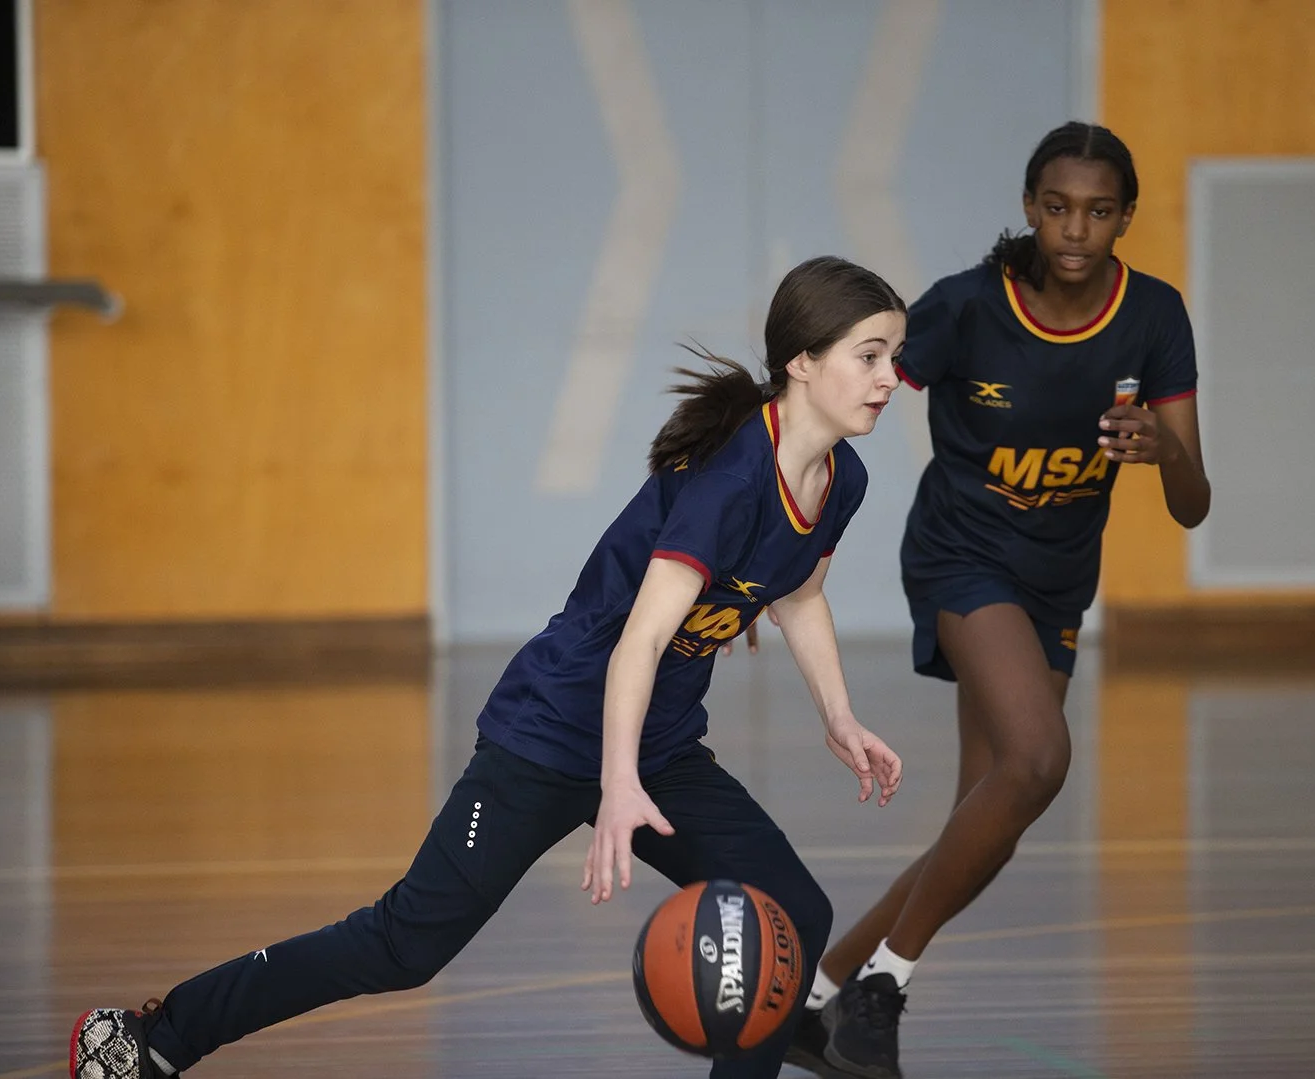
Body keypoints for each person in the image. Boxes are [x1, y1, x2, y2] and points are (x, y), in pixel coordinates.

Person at [68, 255, 909, 1079]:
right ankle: (158, 1036)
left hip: (656, 745)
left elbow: (796, 594)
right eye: (867, 355)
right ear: (802, 361)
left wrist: (838, 714)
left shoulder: (842, 477)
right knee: (404, 944)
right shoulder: (728, 479)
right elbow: (638, 642)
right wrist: (617, 783)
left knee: (790, 913)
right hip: (547, 738)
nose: (886, 377)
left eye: (892, 356)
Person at [784, 122, 1212, 1079]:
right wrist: (782, 511)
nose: (1075, 229)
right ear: (1029, 207)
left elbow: (1193, 506)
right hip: (960, 557)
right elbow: (851, 392)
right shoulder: (969, 308)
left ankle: (816, 998)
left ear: (1124, 219)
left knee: (990, 819)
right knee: (1039, 756)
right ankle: (882, 991)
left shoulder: (1153, 316)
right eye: (1057, 207)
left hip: (1057, 576)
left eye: (1098, 212)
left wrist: (1163, 446)